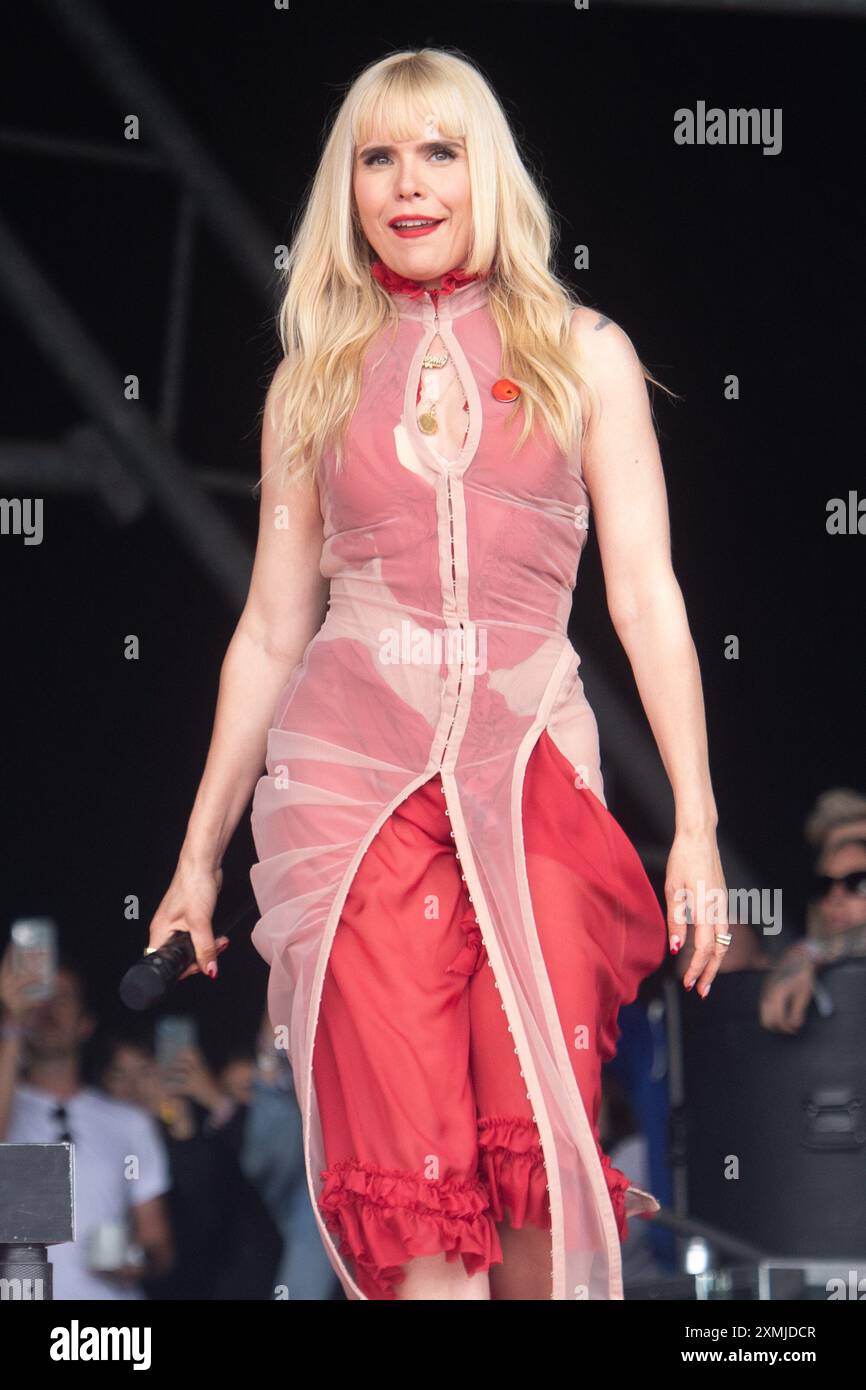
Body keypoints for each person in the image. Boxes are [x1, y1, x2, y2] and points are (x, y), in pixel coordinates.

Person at [145, 47, 730, 1301]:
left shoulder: (585, 353)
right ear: (345, 187)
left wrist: (695, 824)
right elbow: (266, 628)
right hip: (356, 812)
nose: (407, 185)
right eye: (377, 156)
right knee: (422, 1214)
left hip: (535, 797)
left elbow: (643, 596)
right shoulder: (312, 381)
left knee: (535, 1191)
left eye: (438, 152)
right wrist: (197, 858)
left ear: (486, 173)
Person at [0, 950, 173, 1299]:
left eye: (63, 997)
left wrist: (136, 1259)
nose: (49, 1007)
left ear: (85, 1024)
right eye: (41, 994)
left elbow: (160, 1246)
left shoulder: (130, 1122)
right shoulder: (10, 1107)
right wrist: (12, 1026)